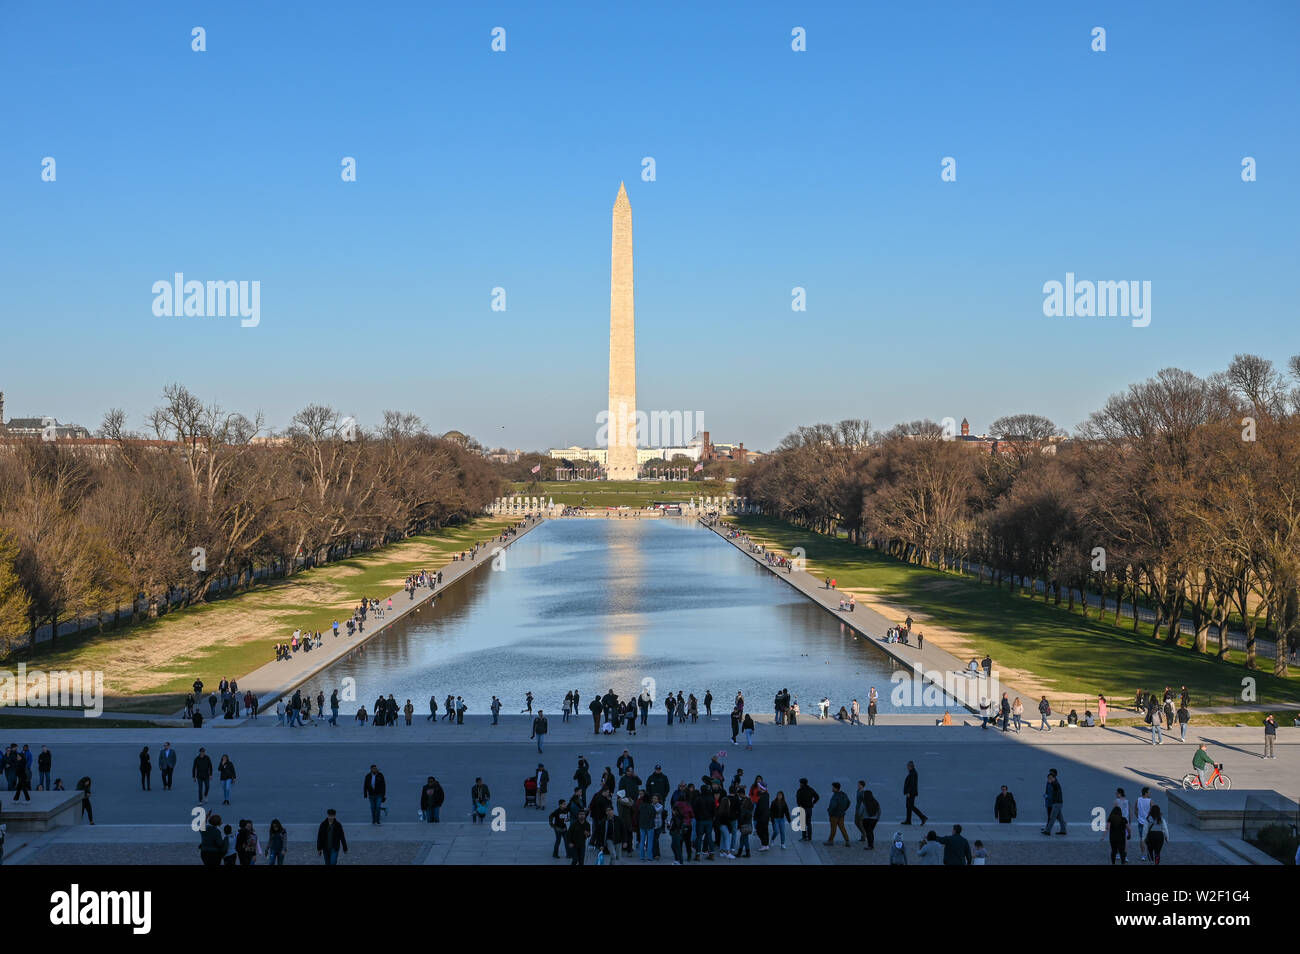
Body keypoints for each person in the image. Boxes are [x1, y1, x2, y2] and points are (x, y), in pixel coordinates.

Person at [824, 781, 852, 846]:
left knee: (833, 828)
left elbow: (833, 805)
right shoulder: (844, 795)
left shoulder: (835, 796)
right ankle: (847, 841)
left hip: (834, 815)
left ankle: (830, 841)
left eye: (833, 787)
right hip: (842, 814)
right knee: (842, 828)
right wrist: (844, 809)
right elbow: (848, 803)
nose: (832, 789)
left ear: (836, 788)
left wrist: (830, 811)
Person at [795, 778, 820, 842]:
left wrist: (799, 805)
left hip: (802, 808)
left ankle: (804, 837)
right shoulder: (811, 789)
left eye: (800, 783)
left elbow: (798, 800)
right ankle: (809, 837)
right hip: (809, 808)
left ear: (802, 783)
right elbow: (817, 797)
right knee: (808, 823)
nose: (799, 784)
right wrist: (813, 803)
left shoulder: (800, 790)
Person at [903, 761, 927, 825]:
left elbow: (912, 784)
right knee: (908, 806)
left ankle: (922, 817)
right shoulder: (912, 773)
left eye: (908, 766)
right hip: (911, 793)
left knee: (911, 806)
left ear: (911, 766)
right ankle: (908, 820)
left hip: (911, 793)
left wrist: (908, 792)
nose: (907, 767)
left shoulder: (913, 773)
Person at [1042, 768, 1065, 834]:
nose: (1049, 779)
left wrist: (1047, 797)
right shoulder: (1054, 783)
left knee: (1052, 817)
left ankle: (1048, 830)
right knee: (1060, 818)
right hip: (1058, 803)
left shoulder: (1054, 784)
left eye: (1051, 777)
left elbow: (1053, 791)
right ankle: (1063, 830)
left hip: (1056, 803)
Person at [1135, 786, 1153, 860]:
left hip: (1140, 822)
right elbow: (1154, 811)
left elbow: (1135, 810)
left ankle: (1143, 855)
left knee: (1142, 839)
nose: (1150, 793)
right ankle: (1149, 852)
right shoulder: (1150, 801)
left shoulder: (1138, 800)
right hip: (1148, 823)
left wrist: (1138, 817)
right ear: (1146, 793)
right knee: (1149, 838)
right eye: (1149, 792)